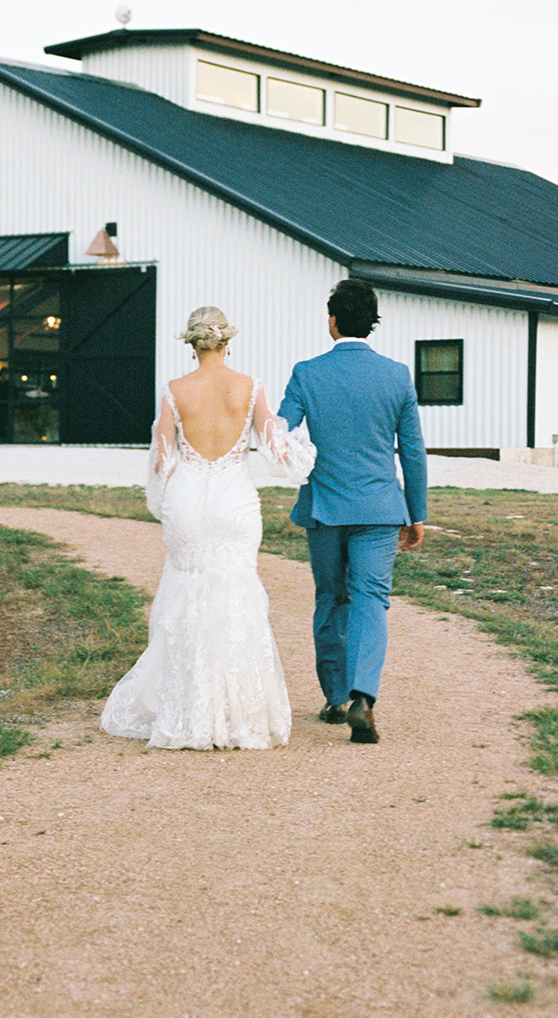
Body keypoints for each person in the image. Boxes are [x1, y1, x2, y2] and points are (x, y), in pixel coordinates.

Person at [101, 306, 315, 750]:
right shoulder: (249, 387)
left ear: (193, 345)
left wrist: (164, 505)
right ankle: (239, 715)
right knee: (237, 593)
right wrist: (305, 449)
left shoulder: (174, 391)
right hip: (234, 500)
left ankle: (186, 712)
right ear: (226, 342)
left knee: (185, 598)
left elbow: (161, 459)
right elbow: (277, 453)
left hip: (189, 500)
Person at [279, 279, 427, 745]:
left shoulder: (307, 373)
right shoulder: (398, 375)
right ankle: (365, 696)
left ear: (333, 320)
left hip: (324, 507)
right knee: (371, 599)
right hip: (381, 509)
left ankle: (336, 697)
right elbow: (414, 452)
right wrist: (416, 512)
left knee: (331, 598)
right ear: (373, 323)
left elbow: (281, 430)